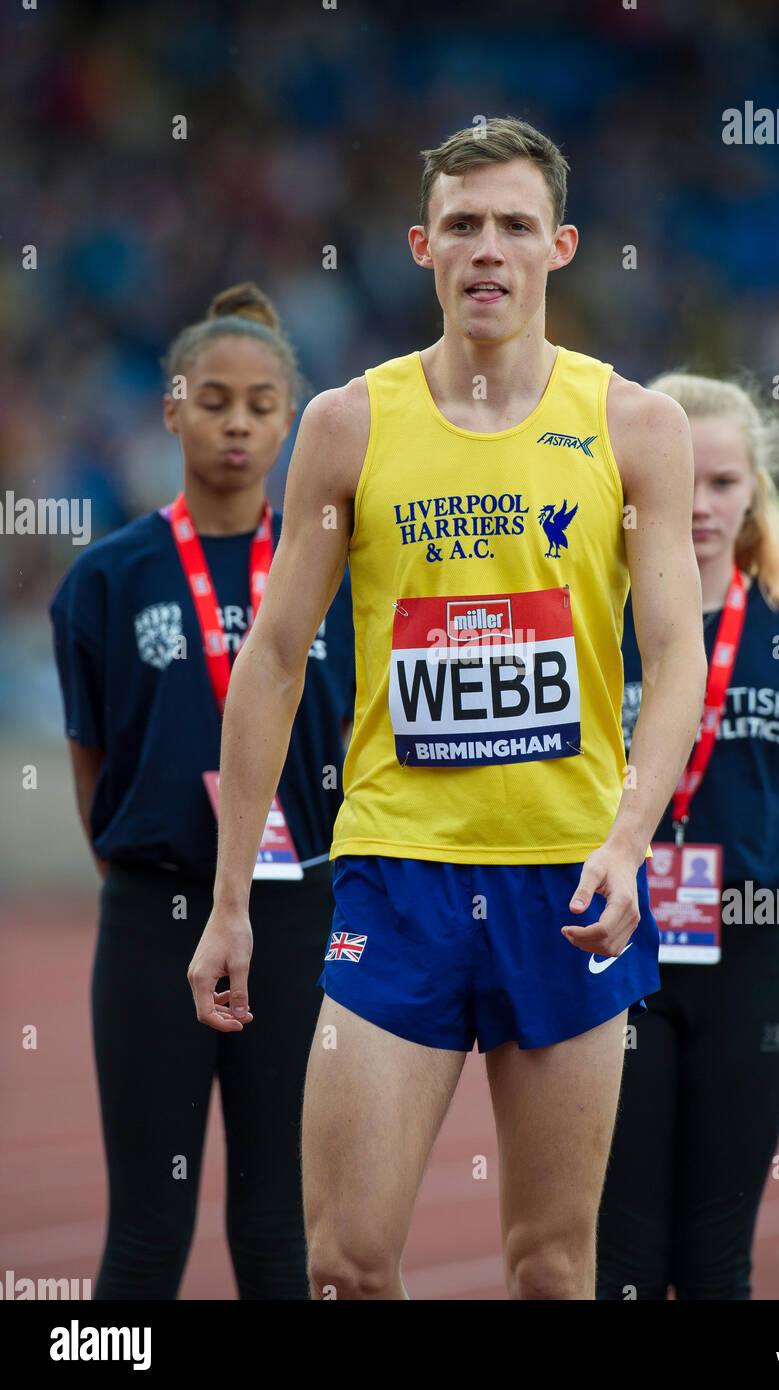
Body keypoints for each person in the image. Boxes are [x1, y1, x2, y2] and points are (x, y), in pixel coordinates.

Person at [187, 116, 708, 1301]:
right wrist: (230, 903)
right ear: (421, 245)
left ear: (560, 246)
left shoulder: (636, 427)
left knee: (548, 1266)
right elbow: (270, 661)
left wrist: (629, 843)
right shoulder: (346, 425)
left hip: (568, 879)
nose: (488, 247)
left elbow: (675, 652)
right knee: (345, 1264)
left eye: (514, 225)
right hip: (397, 875)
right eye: (462, 224)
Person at [49, 283, 355, 1299]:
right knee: (145, 1231)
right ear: (172, 406)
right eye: (213, 398)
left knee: (278, 1228)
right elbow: (94, 759)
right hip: (154, 916)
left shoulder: (337, 575)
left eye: (262, 404)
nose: (237, 422)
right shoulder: (106, 579)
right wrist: (147, 868)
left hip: (301, 913)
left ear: (292, 417)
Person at [596, 373, 779, 1300]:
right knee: (621, 1263)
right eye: (680, 479)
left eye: (723, 482)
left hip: (753, 965)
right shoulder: (591, 630)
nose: (700, 506)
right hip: (612, 959)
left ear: (756, 490)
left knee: (715, 1264)